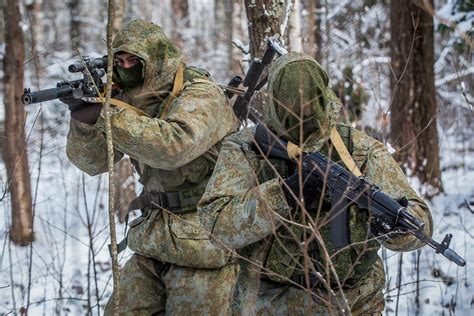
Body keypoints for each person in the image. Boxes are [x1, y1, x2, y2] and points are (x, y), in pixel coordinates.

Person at [197, 52, 433, 315]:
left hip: (355, 302)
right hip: (271, 303)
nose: (301, 114)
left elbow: (420, 220)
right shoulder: (246, 149)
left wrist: (396, 229)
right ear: (274, 100)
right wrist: (285, 194)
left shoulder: (359, 150)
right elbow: (215, 224)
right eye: (289, 106)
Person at [63, 19, 240, 314]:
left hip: (206, 240)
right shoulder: (129, 100)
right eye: (119, 61)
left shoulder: (201, 93)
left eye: (135, 61)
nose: (126, 67)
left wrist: (109, 116)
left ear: (158, 60)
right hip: (154, 237)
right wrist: (83, 121)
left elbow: (173, 146)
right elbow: (92, 163)